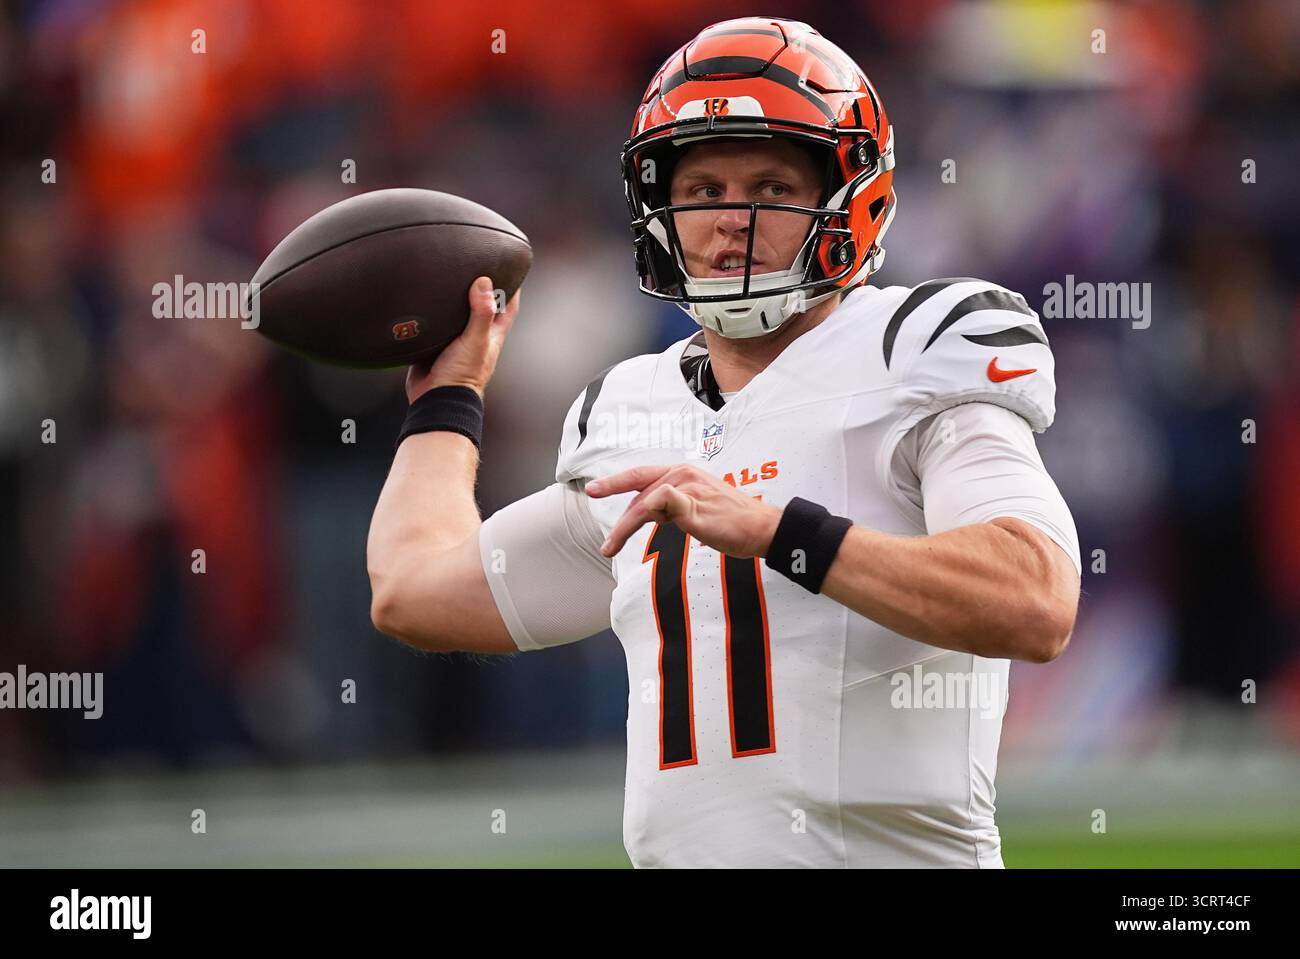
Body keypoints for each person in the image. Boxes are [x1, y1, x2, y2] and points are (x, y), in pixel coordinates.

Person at [367, 17, 1081, 868]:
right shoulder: (631, 408)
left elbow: (1036, 598)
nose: (729, 222)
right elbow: (411, 589)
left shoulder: (913, 348)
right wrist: (448, 398)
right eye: (702, 192)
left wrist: (784, 531)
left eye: (771, 188)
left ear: (852, 195)